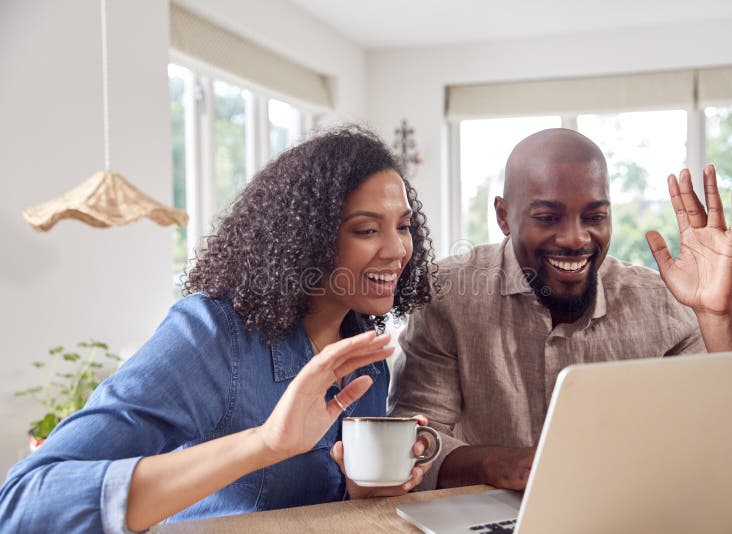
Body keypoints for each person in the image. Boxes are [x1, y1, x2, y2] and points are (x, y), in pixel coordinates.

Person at [0, 126, 438, 532]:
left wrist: (361, 493)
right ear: (305, 237)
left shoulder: (367, 355)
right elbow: (23, 503)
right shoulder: (210, 335)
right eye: (366, 229)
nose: (398, 248)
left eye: (403, 227)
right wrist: (264, 443)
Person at [389, 127, 732, 492]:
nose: (576, 239)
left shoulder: (661, 300)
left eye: (594, 217)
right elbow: (416, 436)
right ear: (503, 216)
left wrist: (719, 314)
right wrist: (499, 465)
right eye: (548, 218)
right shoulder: (447, 293)